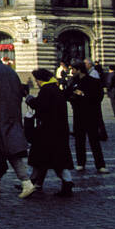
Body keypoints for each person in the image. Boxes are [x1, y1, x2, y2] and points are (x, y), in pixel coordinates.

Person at [0, 52, 36, 197]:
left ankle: (26, 182)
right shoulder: (10, 70)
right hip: (14, 113)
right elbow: (21, 90)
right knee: (1, 148)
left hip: (1, 115)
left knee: (9, 149)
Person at [26, 68, 75, 197]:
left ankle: (66, 184)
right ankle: (34, 183)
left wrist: (30, 100)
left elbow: (40, 106)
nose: (36, 82)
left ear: (40, 79)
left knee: (46, 159)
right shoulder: (54, 88)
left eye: (36, 79)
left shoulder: (47, 90)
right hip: (59, 130)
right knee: (53, 160)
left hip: (48, 131)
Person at [67, 62, 108, 172]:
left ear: (79, 70)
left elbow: (98, 97)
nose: (72, 72)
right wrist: (72, 97)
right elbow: (67, 95)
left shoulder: (93, 81)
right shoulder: (73, 82)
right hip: (78, 114)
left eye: (73, 69)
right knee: (79, 141)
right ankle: (81, 163)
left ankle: (100, 165)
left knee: (94, 141)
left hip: (91, 115)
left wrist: (83, 95)